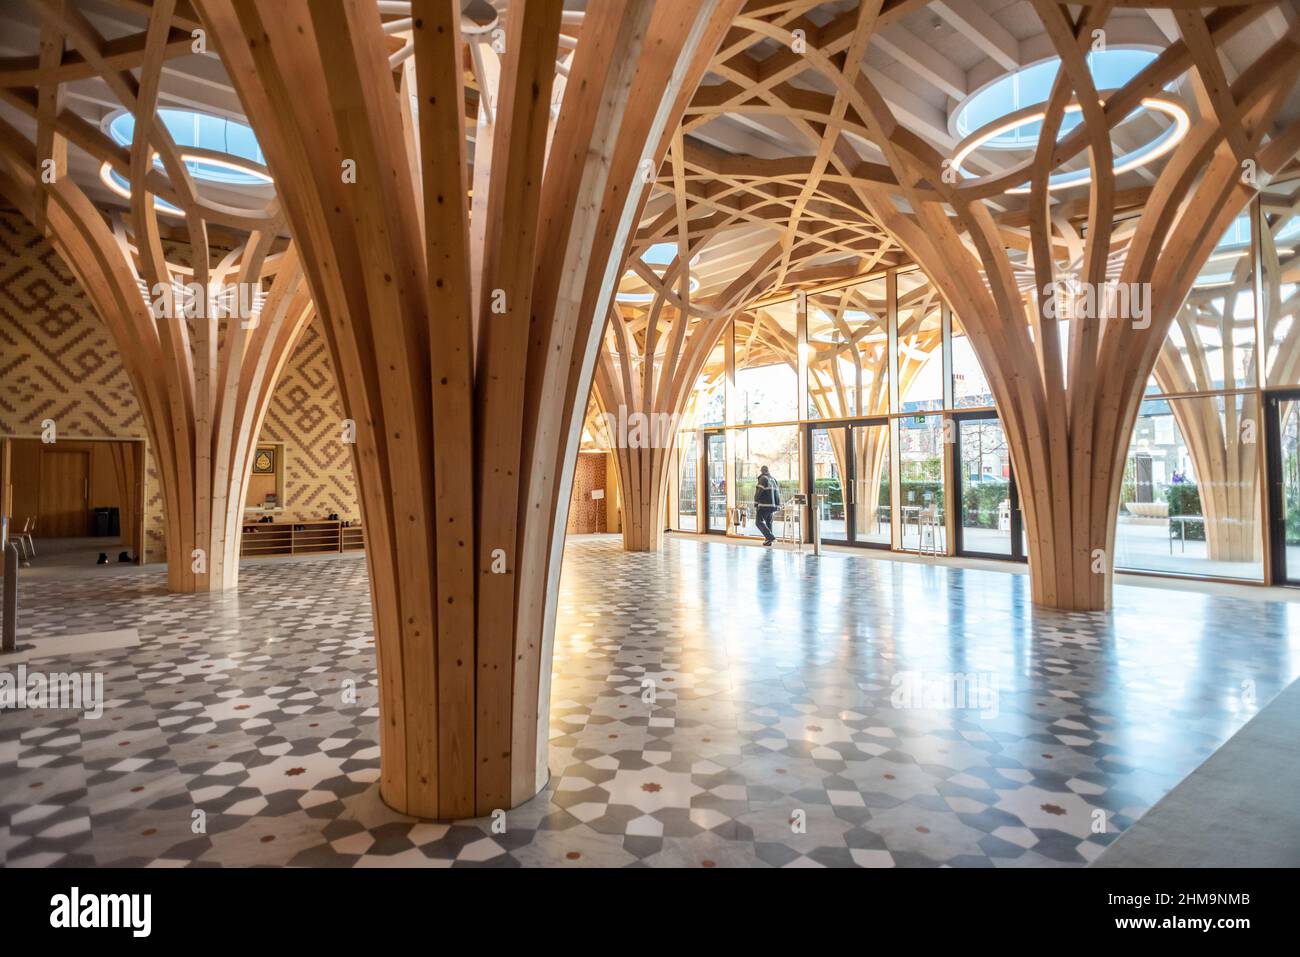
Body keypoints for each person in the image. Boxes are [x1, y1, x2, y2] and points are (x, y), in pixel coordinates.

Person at [753, 465, 781, 546]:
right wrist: (777, 505)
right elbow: (777, 494)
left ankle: (770, 537)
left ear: (761, 471)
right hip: (773, 506)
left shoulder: (763, 479)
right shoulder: (773, 479)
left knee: (758, 522)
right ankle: (768, 541)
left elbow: (759, 492)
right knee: (769, 523)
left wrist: (756, 502)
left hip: (764, 505)